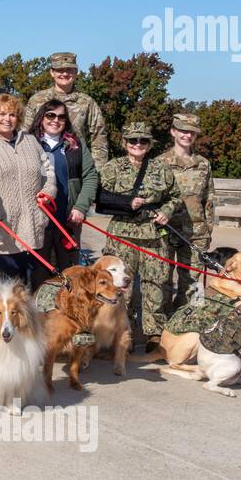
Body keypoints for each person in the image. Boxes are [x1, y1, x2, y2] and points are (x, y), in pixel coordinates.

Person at [99, 122, 181, 350]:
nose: (137, 144)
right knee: (121, 287)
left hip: (153, 237)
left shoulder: (161, 169)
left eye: (143, 140)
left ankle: (154, 334)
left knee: (156, 285)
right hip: (122, 236)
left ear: (150, 144)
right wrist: (126, 203)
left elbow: (175, 197)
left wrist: (166, 212)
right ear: (124, 143)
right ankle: (123, 332)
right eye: (133, 140)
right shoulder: (112, 168)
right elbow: (101, 199)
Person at [0, 94, 56, 286]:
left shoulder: (31, 142)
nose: (7, 119)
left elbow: (48, 170)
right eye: (1, 114)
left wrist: (48, 191)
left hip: (29, 228)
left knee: (20, 291)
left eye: (12, 114)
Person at [29, 97, 99, 277]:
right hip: (38, 222)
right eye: (50, 115)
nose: (55, 120)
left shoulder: (75, 144)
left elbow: (90, 175)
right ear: (41, 118)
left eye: (61, 117)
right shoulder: (28, 143)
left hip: (68, 220)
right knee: (40, 274)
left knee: (70, 274)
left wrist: (81, 207)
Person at [162, 112, 215, 310]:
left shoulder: (203, 164)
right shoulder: (160, 162)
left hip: (195, 231)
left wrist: (208, 230)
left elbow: (209, 199)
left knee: (192, 279)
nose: (187, 135)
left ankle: (184, 318)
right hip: (167, 229)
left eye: (192, 132)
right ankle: (162, 322)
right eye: (183, 131)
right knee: (163, 277)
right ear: (173, 132)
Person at [21, 52, 110, 169]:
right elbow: (25, 132)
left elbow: (99, 137)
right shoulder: (37, 100)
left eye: (69, 69)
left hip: (74, 165)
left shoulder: (87, 102)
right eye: (60, 70)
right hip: (41, 164)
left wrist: (97, 170)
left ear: (76, 72)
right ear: (52, 72)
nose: (64, 73)